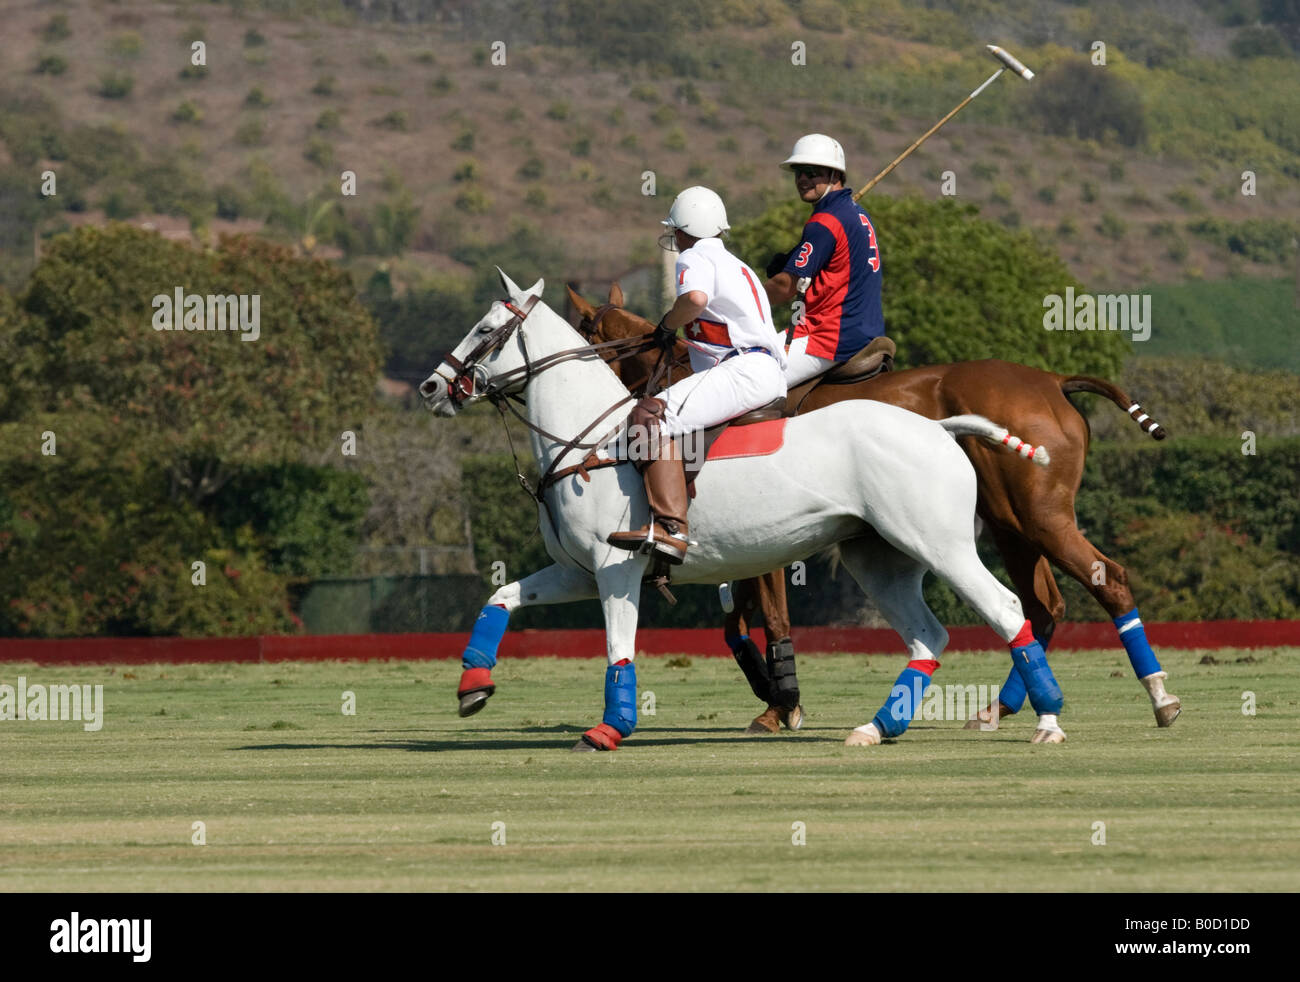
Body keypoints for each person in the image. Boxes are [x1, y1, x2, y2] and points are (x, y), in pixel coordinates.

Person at [606, 186, 786, 564]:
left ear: (685, 230)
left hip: (742, 371)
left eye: (676, 230)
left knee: (648, 413)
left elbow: (696, 300)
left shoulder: (693, 257)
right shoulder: (740, 265)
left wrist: (668, 324)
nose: (675, 238)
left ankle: (672, 529)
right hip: (765, 369)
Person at [764, 134, 886, 387]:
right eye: (798, 172)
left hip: (830, 336)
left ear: (834, 175)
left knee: (746, 378)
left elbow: (785, 286)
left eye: (812, 172)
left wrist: (744, 298)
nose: (803, 179)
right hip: (863, 329)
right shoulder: (855, 213)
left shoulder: (825, 222)